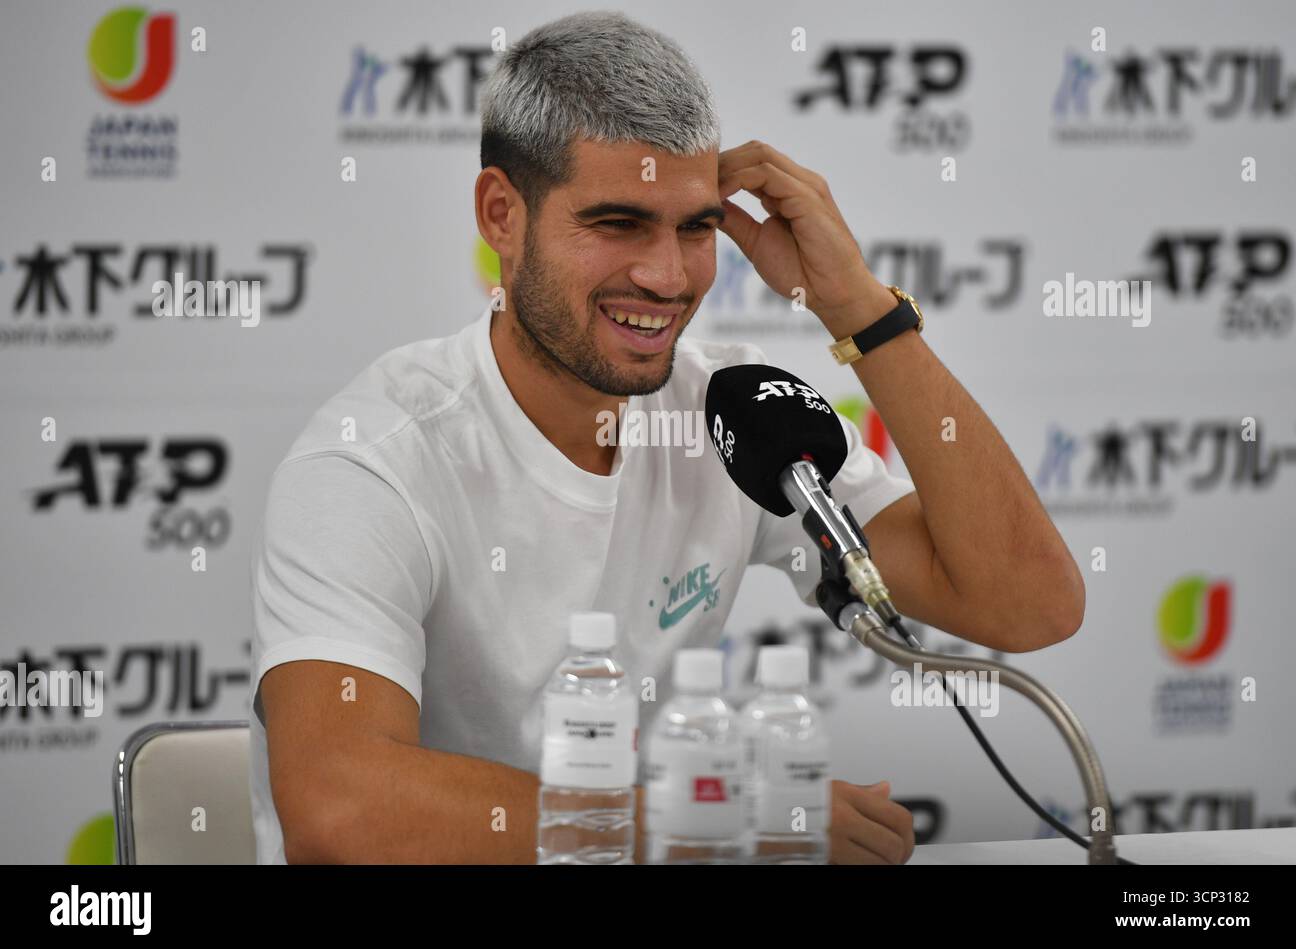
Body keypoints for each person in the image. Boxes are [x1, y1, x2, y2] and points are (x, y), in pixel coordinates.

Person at [249, 11, 1084, 865]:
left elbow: (1028, 604)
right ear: (502, 214)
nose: (668, 276)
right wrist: (718, 818)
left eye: (696, 227)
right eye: (618, 224)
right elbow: (339, 811)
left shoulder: (734, 413)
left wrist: (860, 311)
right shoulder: (373, 458)